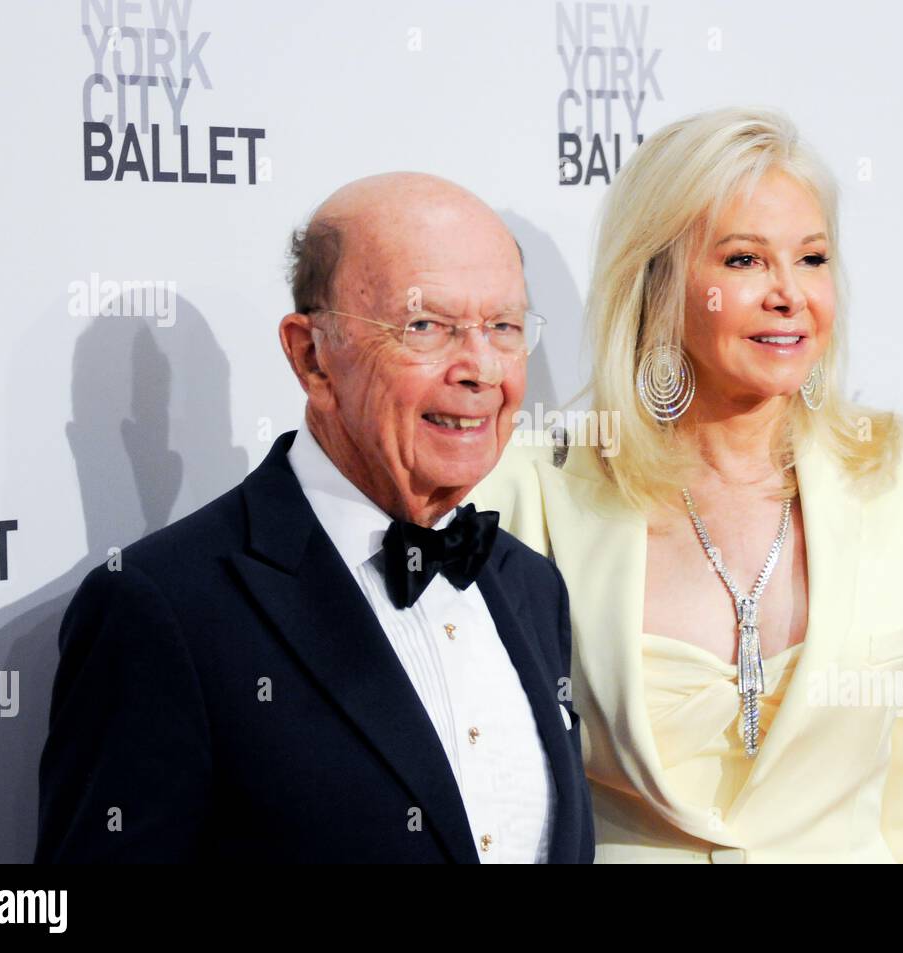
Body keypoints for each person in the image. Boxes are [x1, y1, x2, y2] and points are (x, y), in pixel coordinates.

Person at [466, 107, 903, 862]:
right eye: (744, 261)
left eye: (812, 259)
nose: (789, 293)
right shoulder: (536, 489)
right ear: (659, 281)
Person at [36, 172, 594, 863]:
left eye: (504, 327)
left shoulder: (531, 585)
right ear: (312, 356)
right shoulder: (165, 610)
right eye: (425, 326)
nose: (481, 367)